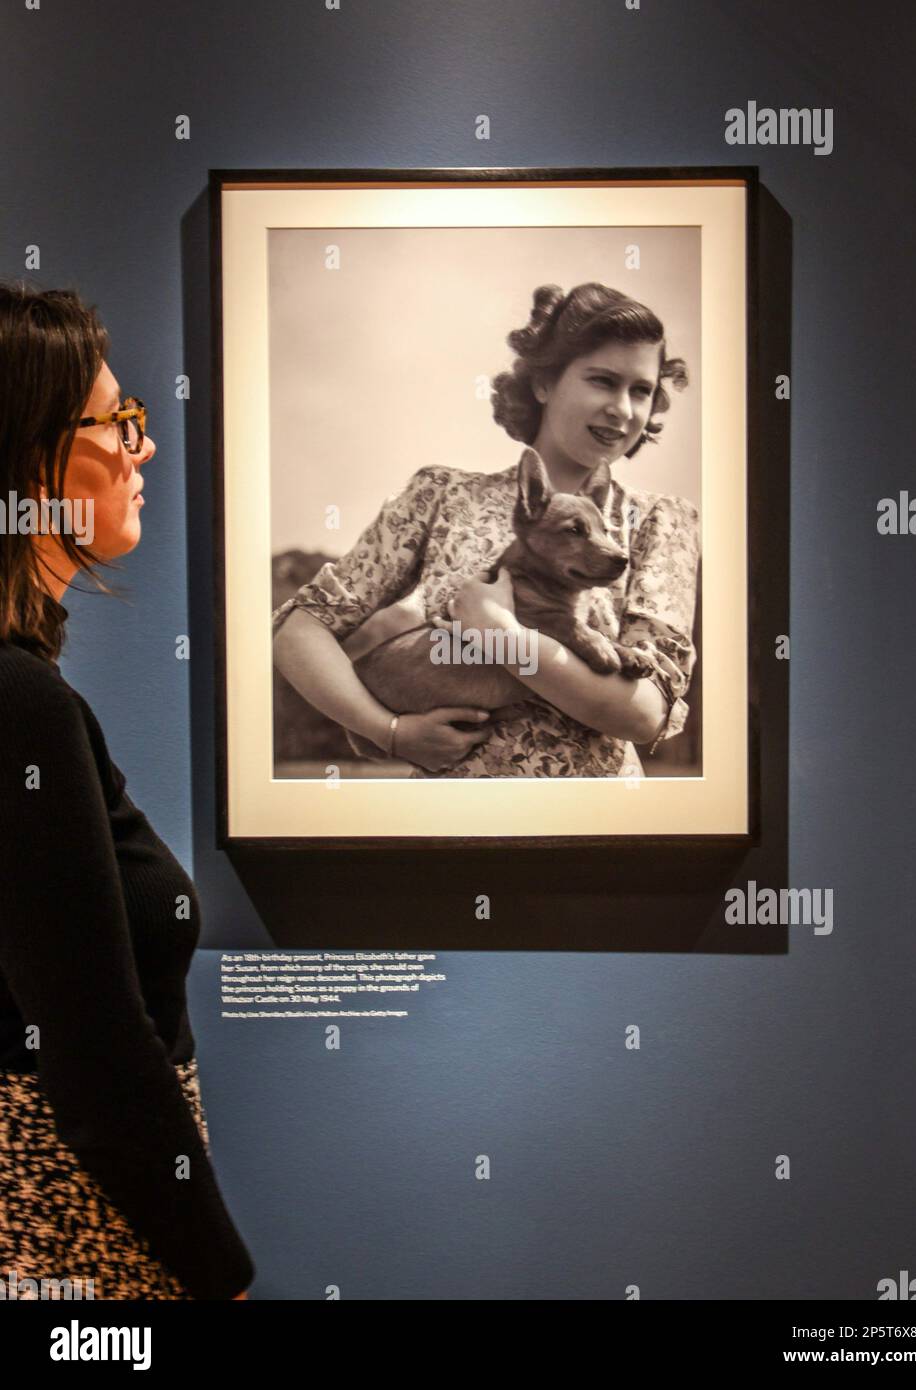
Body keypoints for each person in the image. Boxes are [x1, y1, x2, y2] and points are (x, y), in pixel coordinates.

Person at [0, 282, 253, 1300]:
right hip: (69, 1241)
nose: (142, 451)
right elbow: (95, 1050)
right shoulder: (17, 703)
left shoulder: (26, 688)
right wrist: (220, 1273)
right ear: (31, 453)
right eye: (120, 423)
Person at [273, 281, 700, 778]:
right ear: (543, 383)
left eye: (641, 390)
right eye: (602, 381)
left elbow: (644, 713)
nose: (623, 410)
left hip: (598, 827)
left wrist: (502, 634)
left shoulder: (657, 522)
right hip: (448, 827)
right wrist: (387, 731)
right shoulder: (441, 495)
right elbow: (297, 632)